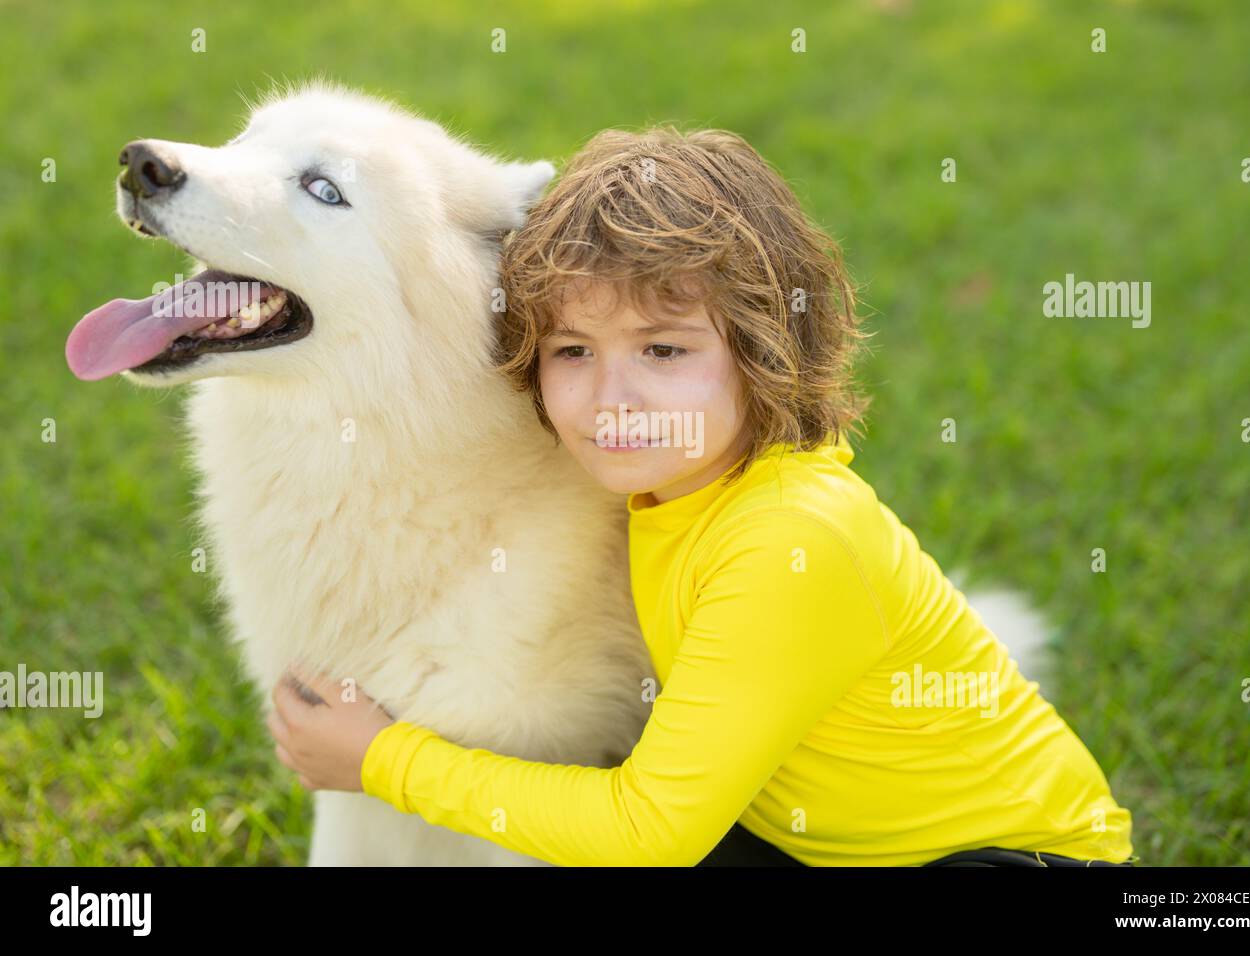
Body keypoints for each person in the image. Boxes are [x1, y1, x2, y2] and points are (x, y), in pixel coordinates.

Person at [267, 125, 1137, 868]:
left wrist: (382, 757)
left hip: (1013, 859)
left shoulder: (791, 538)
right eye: (573, 351)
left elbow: (652, 830)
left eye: (665, 351)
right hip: (813, 839)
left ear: (764, 347)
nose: (614, 399)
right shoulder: (675, 482)